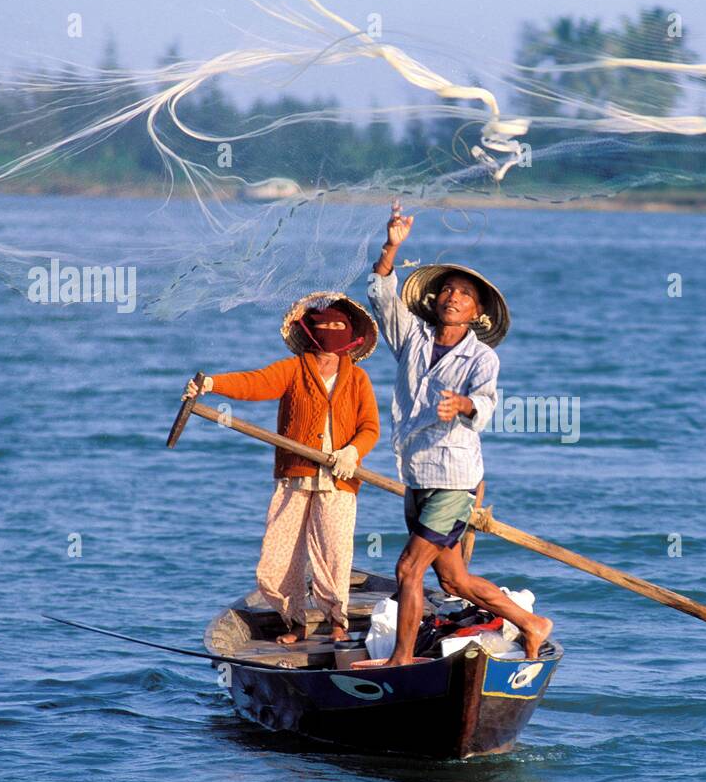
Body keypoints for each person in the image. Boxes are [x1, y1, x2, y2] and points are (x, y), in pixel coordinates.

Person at [359, 200, 553, 667]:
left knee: (407, 568)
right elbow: (381, 295)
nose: (452, 298)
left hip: (456, 478)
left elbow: (486, 403)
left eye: (464, 295)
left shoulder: (482, 358)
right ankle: (531, 623)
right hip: (416, 471)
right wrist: (391, 245)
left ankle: (401, 660)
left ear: (476, 312)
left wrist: (463, 403)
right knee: (453, 581)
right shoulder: (412, 337)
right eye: (447, 290)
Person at [182, 293, 380, 644]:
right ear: (309, 330)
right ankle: (295, 622)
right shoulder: (294, 369)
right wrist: (212, 384)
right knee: (281, 553)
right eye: (324, 325)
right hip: (295, 476)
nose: (331, 331)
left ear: (351, 334)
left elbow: (370, 428)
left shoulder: (358, 378)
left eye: (339, 326)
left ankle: (337, 621)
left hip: (339, 479)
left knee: (334, 551)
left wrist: (352, 451)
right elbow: (255, 383)